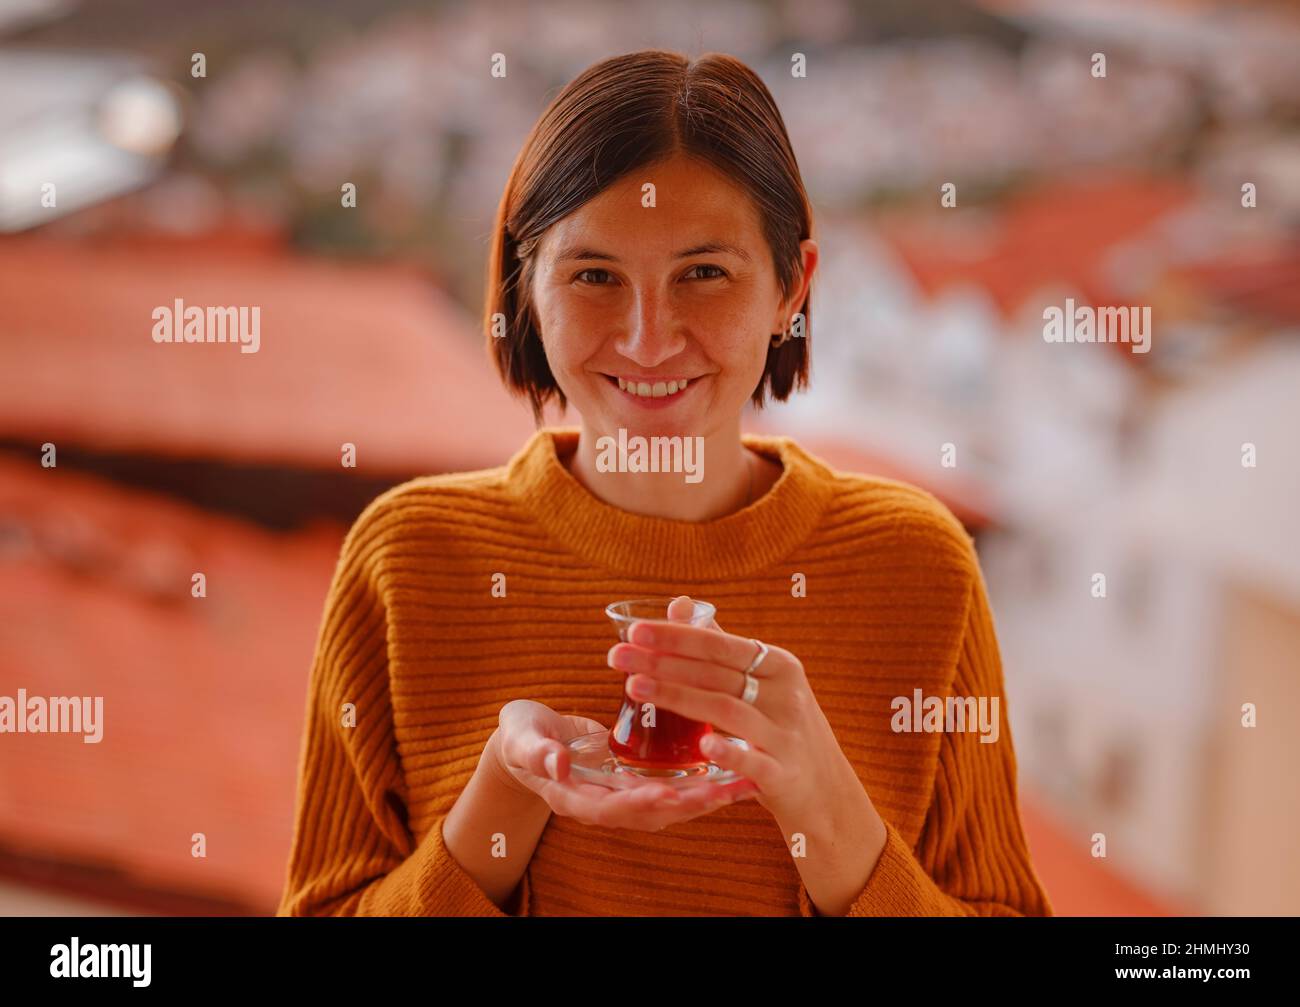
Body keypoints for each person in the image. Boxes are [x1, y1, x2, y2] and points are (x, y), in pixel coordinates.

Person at [276, 49, 1052, 917]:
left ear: (792, 288)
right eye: (594, 276)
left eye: (704, 273)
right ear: (527, 288)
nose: (648, 340)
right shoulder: (407, 560)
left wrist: (825, 809)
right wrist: (502, 797)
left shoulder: (918, 567)